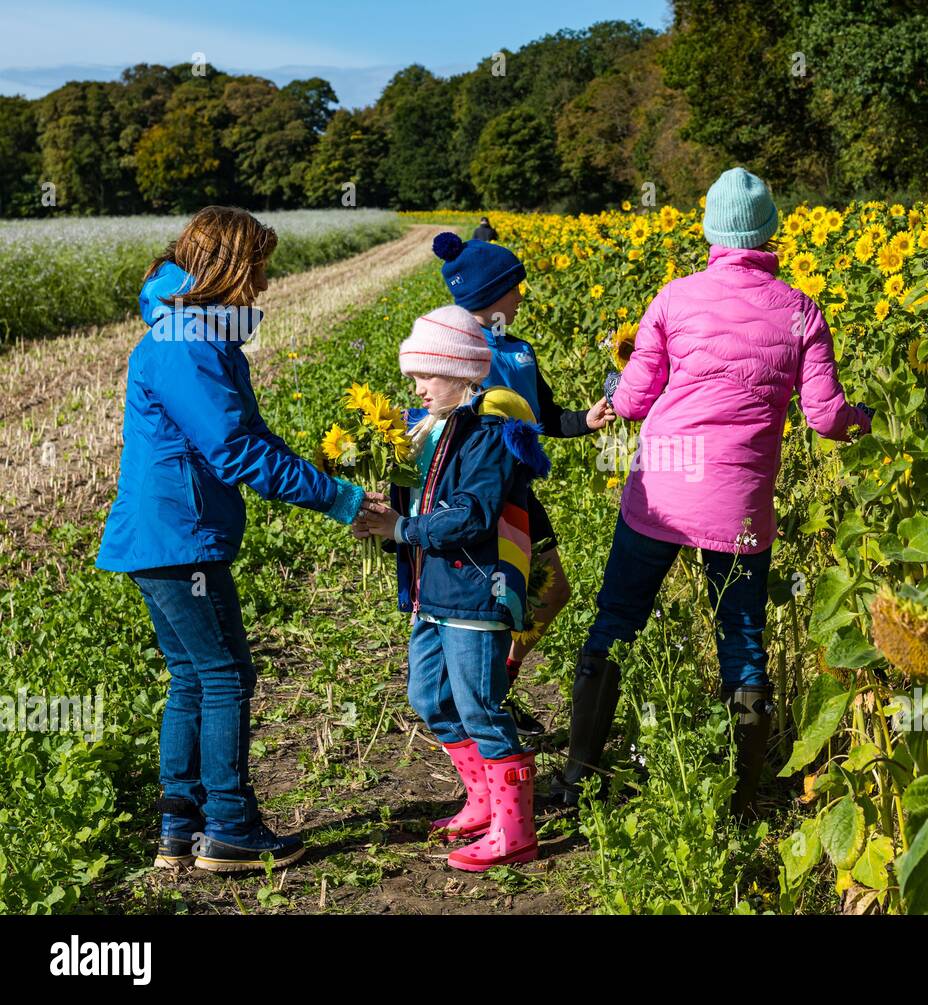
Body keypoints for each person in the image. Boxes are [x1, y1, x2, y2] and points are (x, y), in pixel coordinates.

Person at [553, 168, 873, 815]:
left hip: (663, 488)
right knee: (743, 639)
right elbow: (825, 417)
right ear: (770, 232)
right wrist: (870, 418)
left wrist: (609, 399)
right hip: (739, 505)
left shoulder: (675, 298)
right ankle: (740, 800)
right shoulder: (800, 311)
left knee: (615, 622)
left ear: (709, 231)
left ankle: (577, 776)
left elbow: (637, 398)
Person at [96, 206, 369, 872]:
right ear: (226, 266)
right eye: (259, 268)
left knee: (192, 676)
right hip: (179, 537)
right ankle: (229, 826)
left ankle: (180, 830)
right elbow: (236, 451)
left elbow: (251, 434)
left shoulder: (187, 332)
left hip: (166, 537)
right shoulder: (186, 341)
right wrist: (338, 500)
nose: (265, 284)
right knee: (225, 676)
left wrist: (330, 486)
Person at [355, 304, 550, 871]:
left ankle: (516, 832)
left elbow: (471, 515)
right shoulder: (432, 432)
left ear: (461, 371)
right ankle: (483, 802)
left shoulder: (486, 437)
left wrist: (403, 528)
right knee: (429, 698)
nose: (413, 385)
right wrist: (380, 517)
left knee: (480, 707)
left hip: (473, 595)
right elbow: (417, 506)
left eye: (423, 374)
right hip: (432, 595)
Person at [432, 231, 614, 734]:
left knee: (552, 592)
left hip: (520, 494)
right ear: (489, 295)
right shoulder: (458, 353)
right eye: (515, 288)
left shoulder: (520, 351)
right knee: (489, 604)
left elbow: (546, 414)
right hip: (480, 501)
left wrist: (585, 420)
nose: (521, 296)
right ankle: (476, 707)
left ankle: (496, 688)